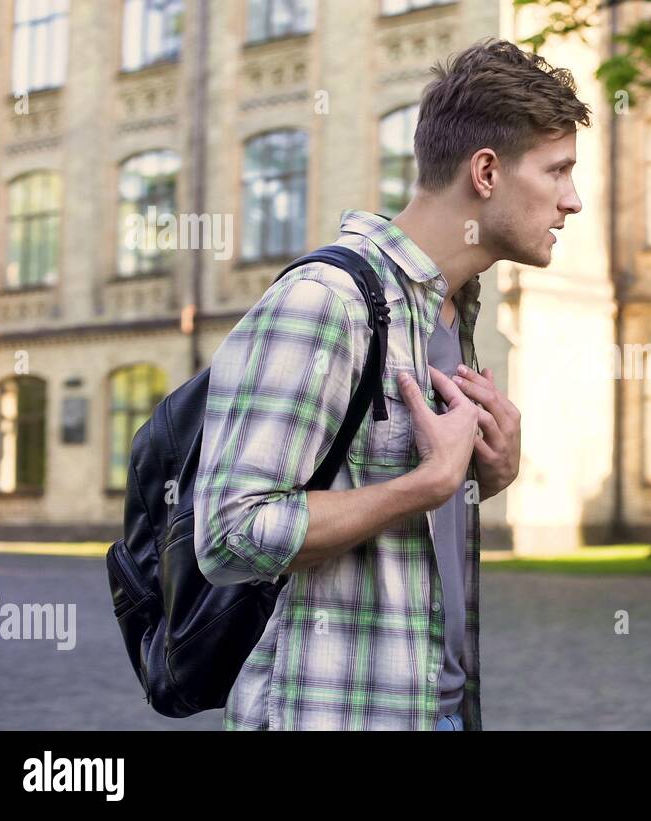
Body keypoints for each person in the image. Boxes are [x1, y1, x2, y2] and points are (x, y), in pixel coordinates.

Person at [193, 39, 590, 730]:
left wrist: (480, 476)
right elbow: (228, 533)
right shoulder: (325, 302)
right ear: (487, 172)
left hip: (436, 710)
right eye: (558, 171)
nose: (574, 200)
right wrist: (426, 484)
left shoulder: (451, 309)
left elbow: (393, 511)